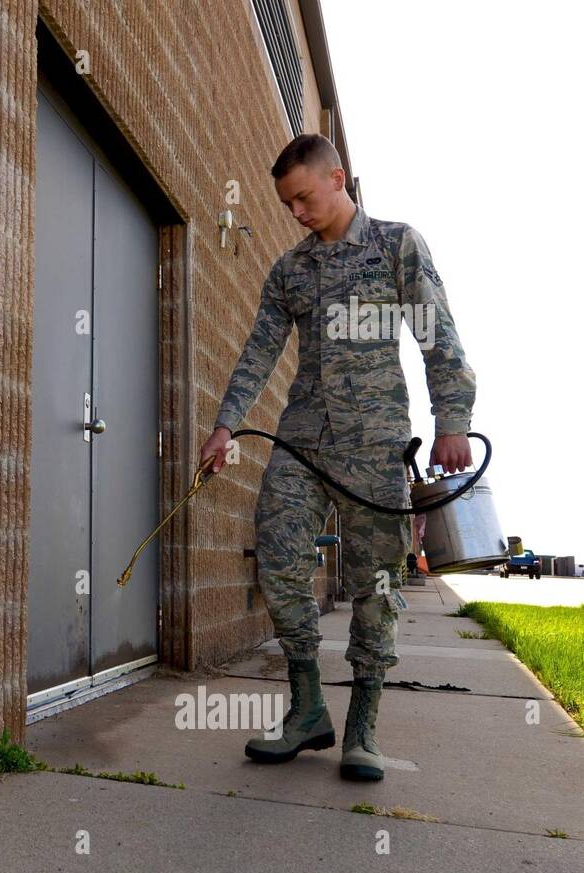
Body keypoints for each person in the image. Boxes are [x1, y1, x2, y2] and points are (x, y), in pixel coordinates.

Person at [199, 134, 476, 781]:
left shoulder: (395, 244)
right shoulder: (290, 271)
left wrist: (453, 419)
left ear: (336, 178)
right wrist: (224, 426)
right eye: (286, 203)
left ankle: (363, 730)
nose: (296, 212)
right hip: (301, 440)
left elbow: (436, 331)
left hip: (375, 442)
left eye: (302, 198)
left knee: (375, 584)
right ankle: (305, 708)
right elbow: (259, 351)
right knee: (277, 553)